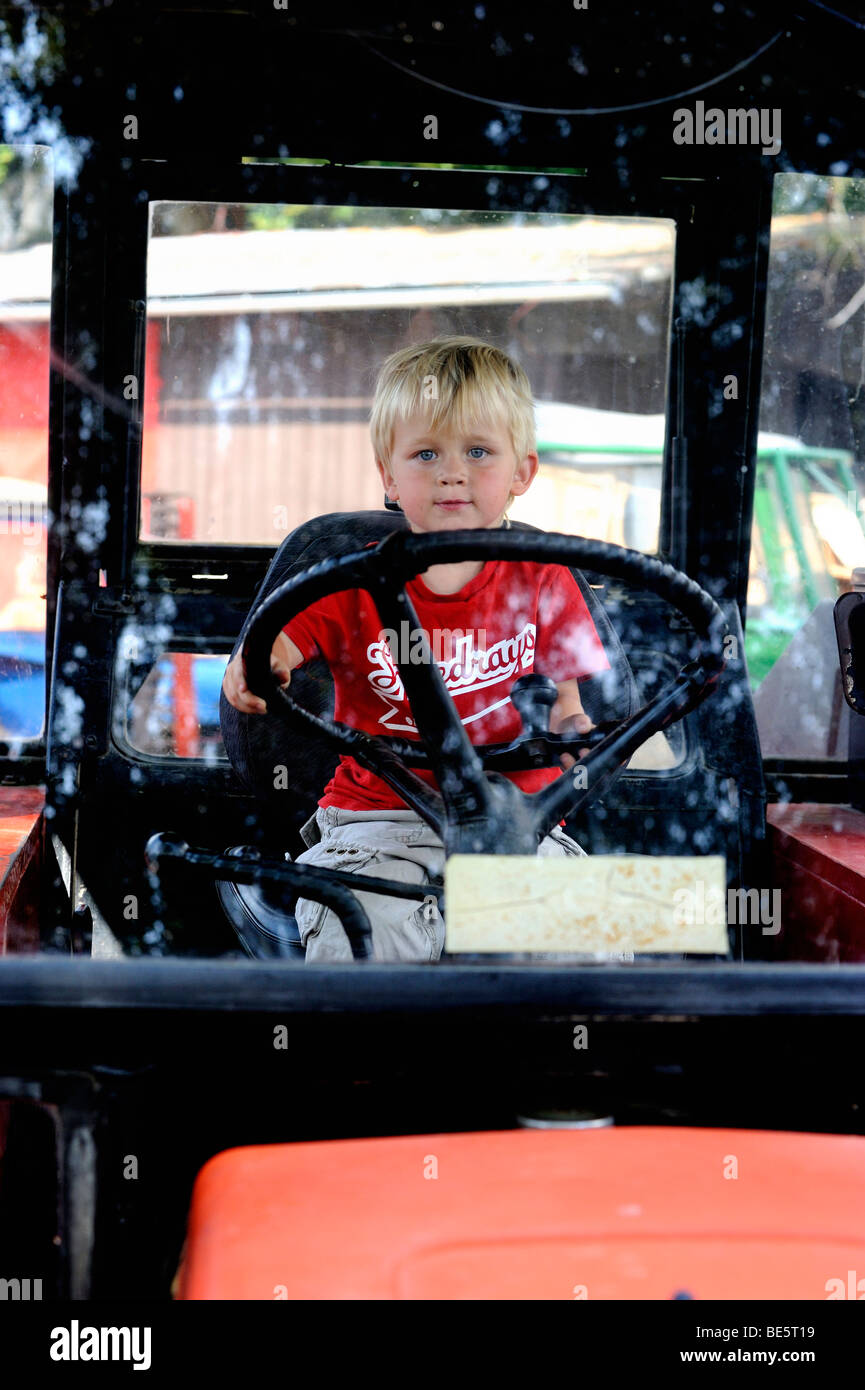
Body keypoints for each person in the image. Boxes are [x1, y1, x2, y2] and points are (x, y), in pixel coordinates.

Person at [222, 336, 610, 961]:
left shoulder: (544, 579)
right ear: (389, 475)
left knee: (590, 935)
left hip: (514, 822)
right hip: (380, 818)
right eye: (425, 453)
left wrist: (577, 735)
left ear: (522, 472)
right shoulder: (355, 582)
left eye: (477, 451)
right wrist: (253, 667)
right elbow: (279, 649)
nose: (452, 471)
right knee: (364, 928)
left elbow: (569, 707)